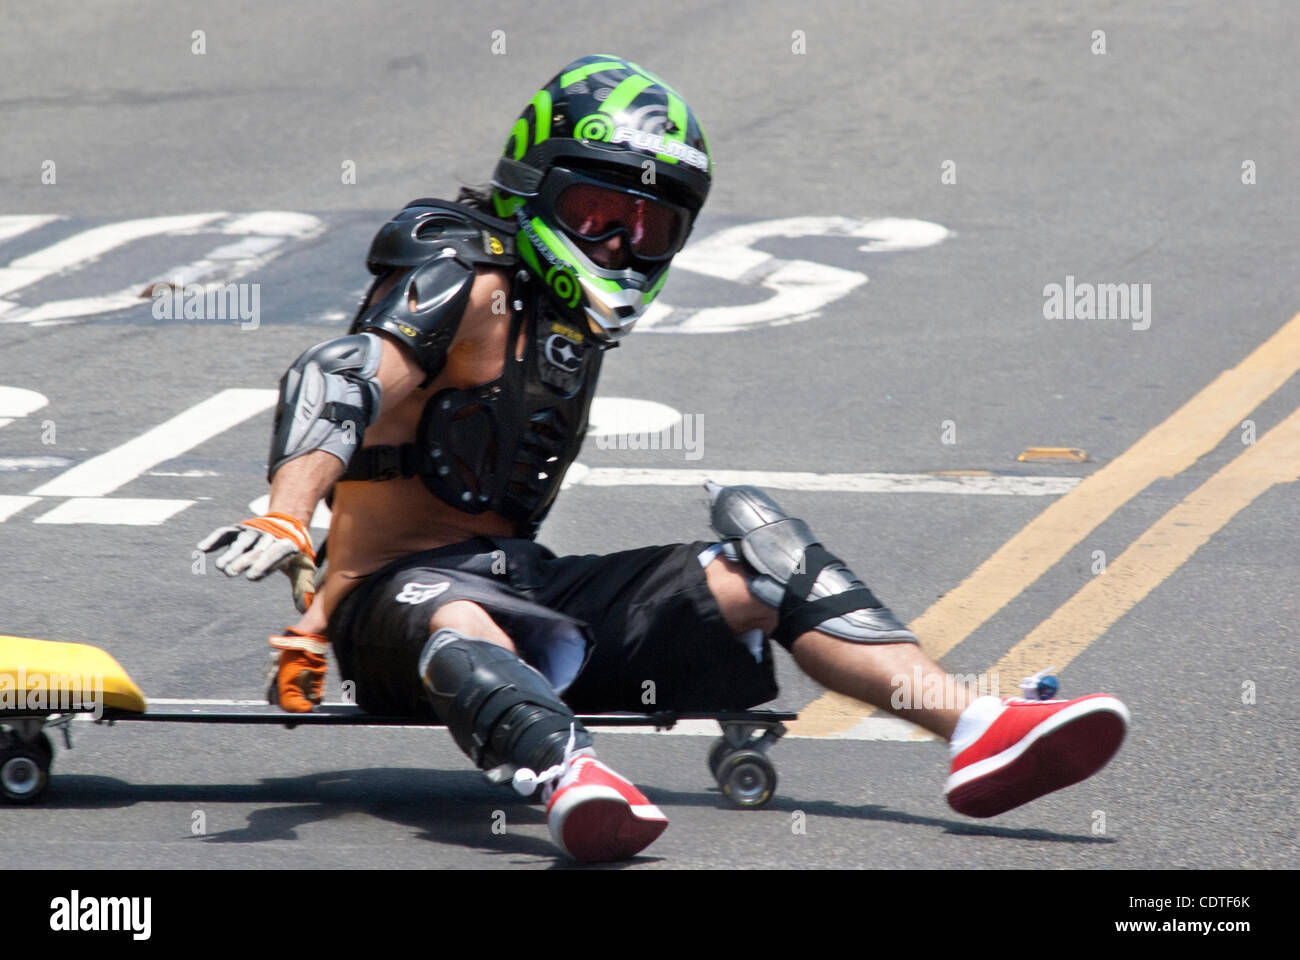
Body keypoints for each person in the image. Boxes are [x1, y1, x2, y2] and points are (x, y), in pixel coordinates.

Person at [198, 55, 1129, 862]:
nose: (618, 244)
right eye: (598, 211)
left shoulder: (566, 317)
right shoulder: (465, 279)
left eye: (648, 228)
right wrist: (289, 517)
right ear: (535, 183)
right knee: (459, 609)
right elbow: (336, 375)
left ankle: (975, 726)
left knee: (767, 556)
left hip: (525, 592)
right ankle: (568, 779)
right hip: (390, 608)